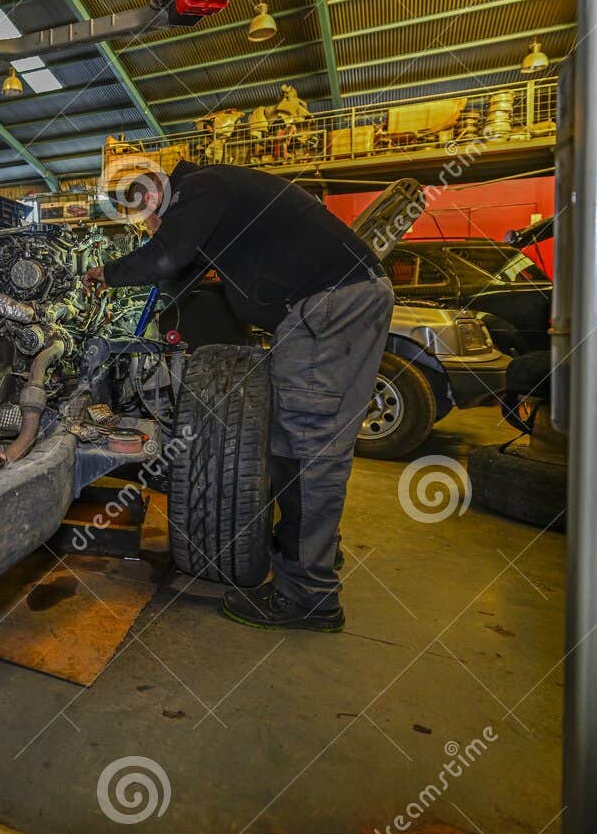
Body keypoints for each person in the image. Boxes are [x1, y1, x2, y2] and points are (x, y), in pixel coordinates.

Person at [84, 160, 394, 632]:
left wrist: (104, 273)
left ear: (152, 195)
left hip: (328, 308)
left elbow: (166, 258)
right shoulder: (219, 193)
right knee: (307, 448)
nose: (148, 227)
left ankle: (308, 596)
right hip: (339, 301)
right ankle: (313, 552)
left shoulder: (201, 187)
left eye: (144, 217)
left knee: (305, 452)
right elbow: (179, 273)